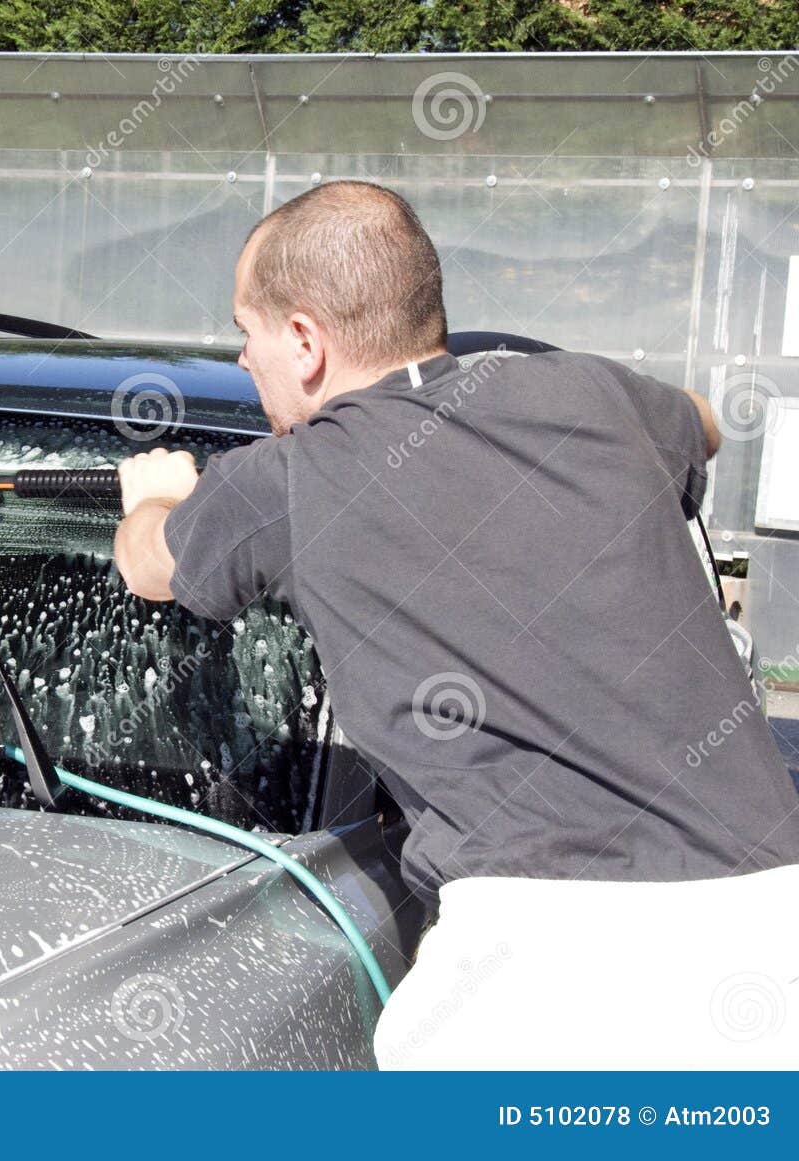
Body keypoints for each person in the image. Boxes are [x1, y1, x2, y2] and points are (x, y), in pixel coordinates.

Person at [112, 180, 799, 1069]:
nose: (244, 358)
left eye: (248, 331)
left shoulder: (291, 479)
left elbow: (148, 564)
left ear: (306, 341)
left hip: (545, 981)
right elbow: (702, 424)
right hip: (771, 937)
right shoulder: (593, 397)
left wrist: (158, 493)